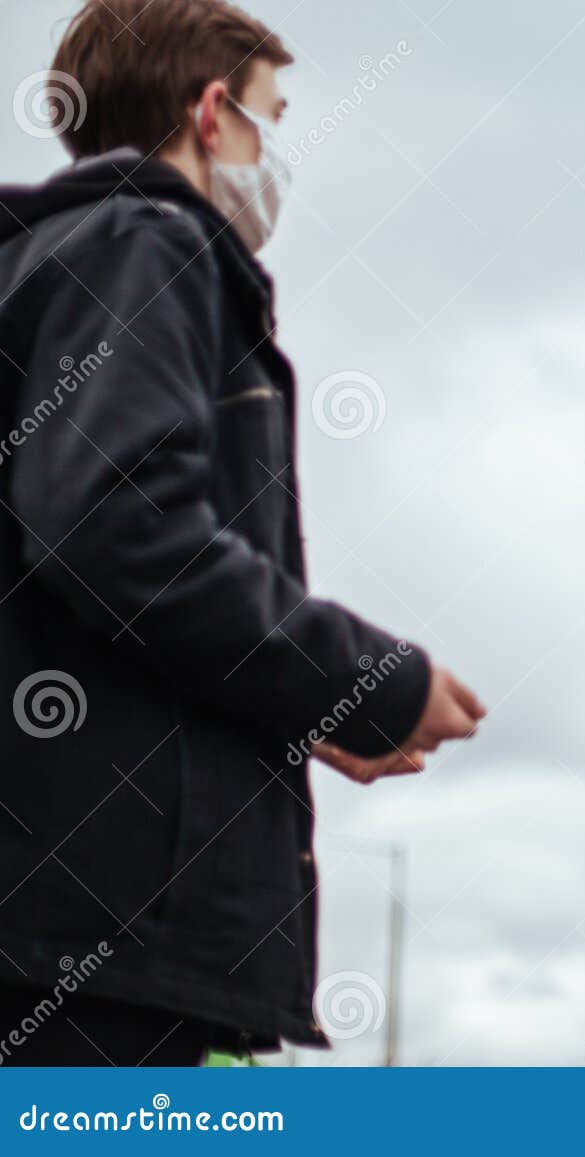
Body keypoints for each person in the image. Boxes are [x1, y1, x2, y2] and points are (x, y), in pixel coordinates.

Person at [0, 0, 485, 1065]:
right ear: (211, 113)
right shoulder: (150, 241)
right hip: (103, 942)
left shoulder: (36, 268)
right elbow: (112, 523)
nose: (272, 152)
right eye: (271, 117)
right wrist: (374, 679)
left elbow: (60, 600)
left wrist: (277, 708)